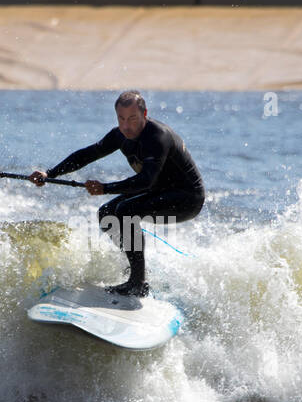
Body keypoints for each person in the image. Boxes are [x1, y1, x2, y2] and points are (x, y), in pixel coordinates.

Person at [31, 91, 204, 297]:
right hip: (160, 191)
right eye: (121, 119)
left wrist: (105, 188)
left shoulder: (157, 137)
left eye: (132, 119)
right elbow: (88, 154)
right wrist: (49, 174)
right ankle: (137, 270)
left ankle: (138, 282)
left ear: (144, 114)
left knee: (126, 211)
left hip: (187, 199)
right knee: (107, 213)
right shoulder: (120, 135)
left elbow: (145, 181)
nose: (126, 126)